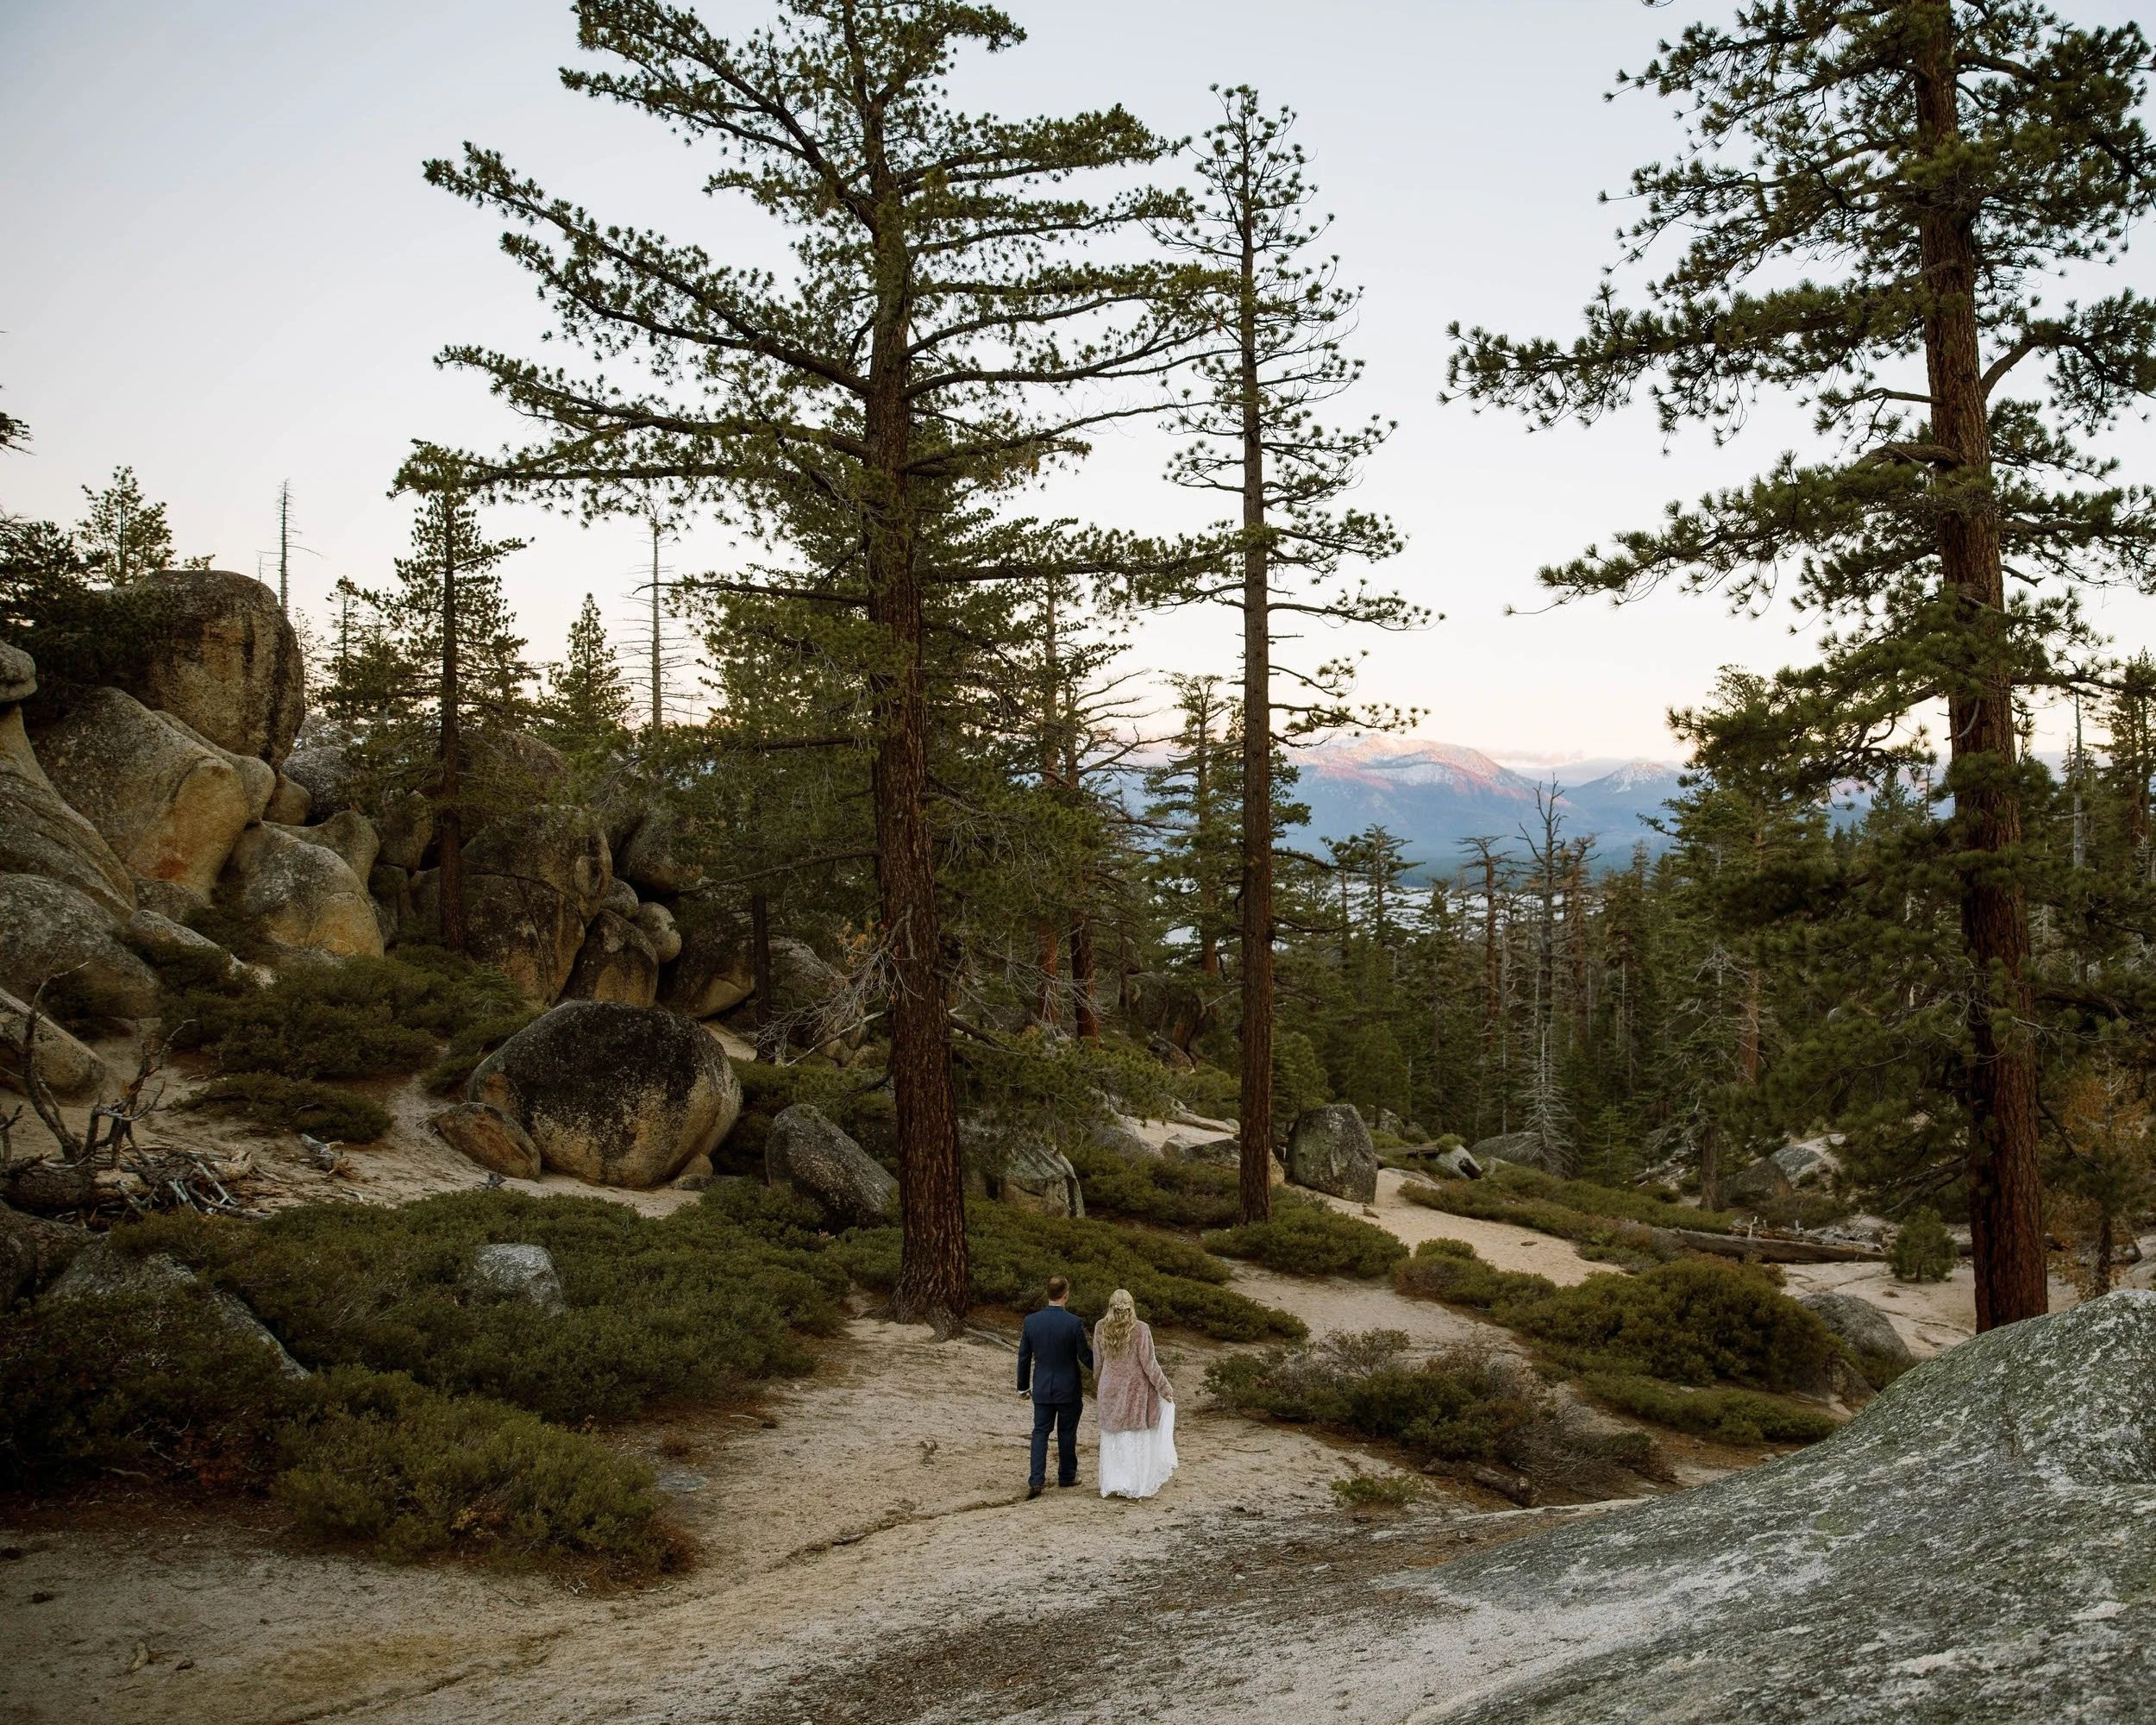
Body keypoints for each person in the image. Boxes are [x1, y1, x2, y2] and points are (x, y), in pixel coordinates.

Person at [1092, 1287, 1176, 1500]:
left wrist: (1100, 1384)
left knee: (1113, 1436)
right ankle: (1134, 1484)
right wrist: (1164, 1387)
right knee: (1133, 1436)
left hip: (1110, 1386)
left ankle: (1113, 1483)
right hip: (1134, 1389)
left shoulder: (1100, 1327)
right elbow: (1150, 1364)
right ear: (1131, 1306)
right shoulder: (1141, 1329)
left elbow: (1097, 1365)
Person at [1016, 1274, 1093, 1499]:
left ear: (1047, 1293)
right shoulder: (1074, 1323)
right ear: (1066, 1295)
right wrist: (1107, 1368)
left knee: (1040, 1432)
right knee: (1067, 1432)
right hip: (1068, 1386)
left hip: (1041, 1385)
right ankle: (1067, 1475)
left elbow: (1023, 1357)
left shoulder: (1031, 1321)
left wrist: (1023, 1386)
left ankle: (1036, 1479)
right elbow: (1085, 1357)